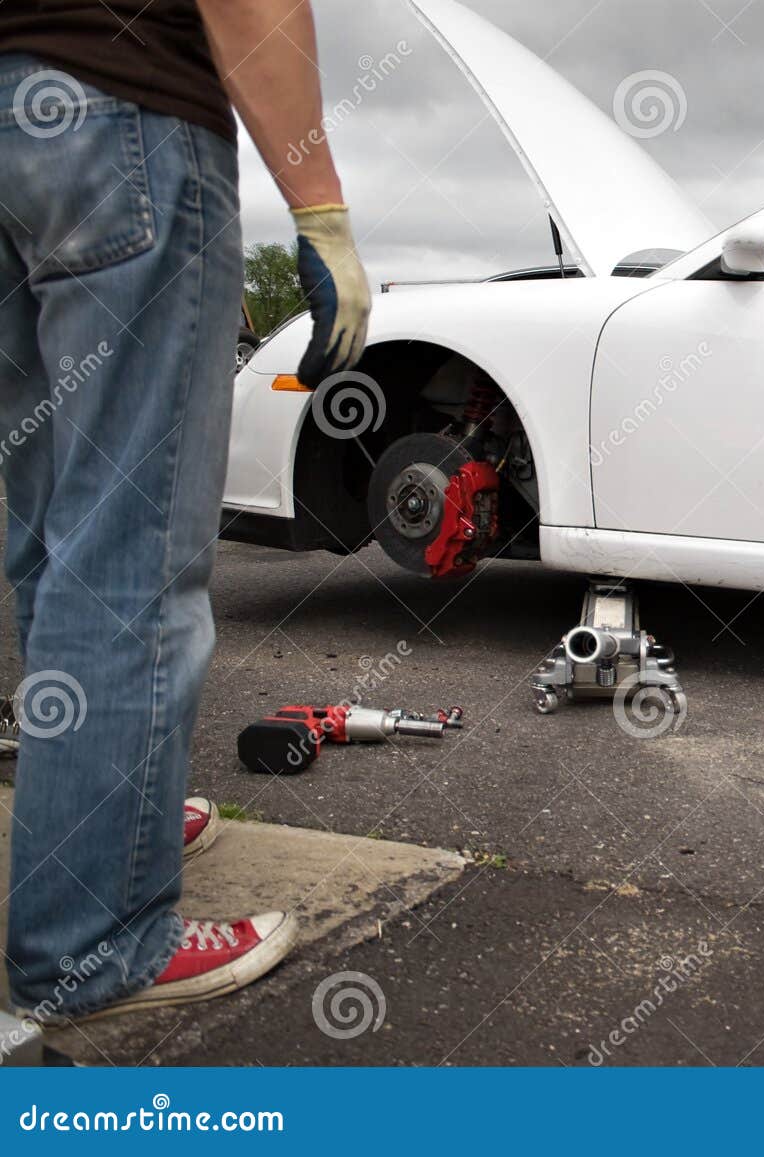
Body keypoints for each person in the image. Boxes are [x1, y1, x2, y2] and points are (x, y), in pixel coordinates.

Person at [0, 0, 370, 1021]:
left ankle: (105, 829)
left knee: (48, 533)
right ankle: (92, 942)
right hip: (115, 122)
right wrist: (321, 212)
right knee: (129, 547)